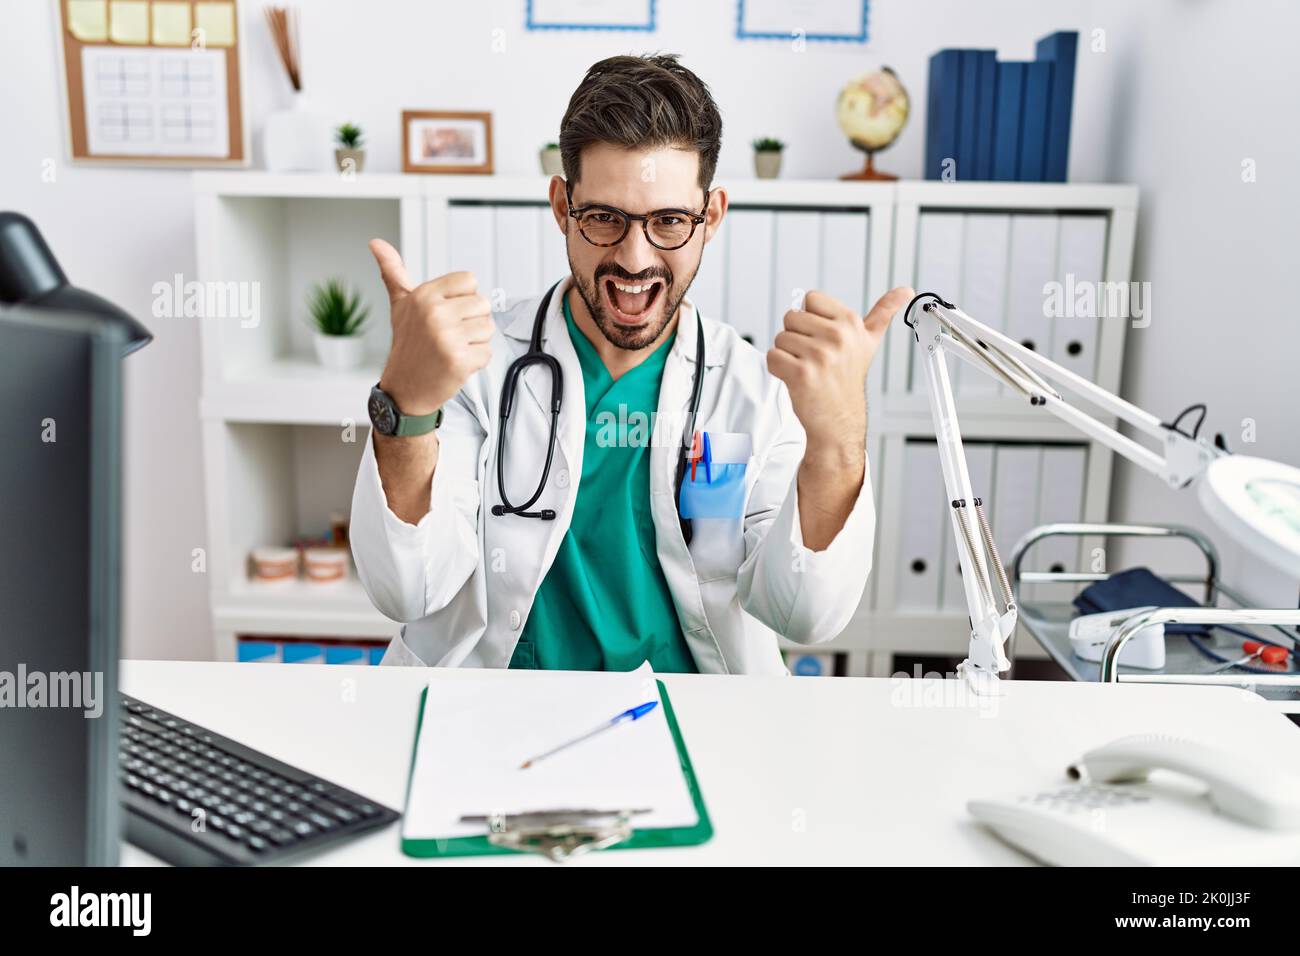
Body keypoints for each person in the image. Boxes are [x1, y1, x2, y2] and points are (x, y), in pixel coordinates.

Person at [350, 53, 912, 674]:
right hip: (493, 722)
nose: (635, 258)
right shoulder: (472, 367)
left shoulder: (755, 388)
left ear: (711, 216)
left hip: (691, 726)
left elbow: (806, 615)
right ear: (563, 207)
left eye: (669, 220)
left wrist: (837, 442)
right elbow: (406, 590)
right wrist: (405, 406)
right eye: (604, 219)